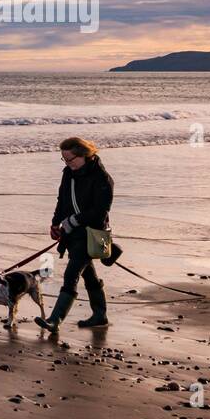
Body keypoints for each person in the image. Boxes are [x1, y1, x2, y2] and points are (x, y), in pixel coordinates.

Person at [34, 137, 119, 332]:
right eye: (64, 160)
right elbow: (62, 200)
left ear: (84, 155)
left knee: (71, 273)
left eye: (70, 159)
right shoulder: (68, 173)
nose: (67, 164)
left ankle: (55, 320)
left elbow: (100, 212)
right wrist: (55, 223)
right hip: (71, 235)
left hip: (92, 233)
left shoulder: (102, 178)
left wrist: (73, 221)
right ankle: (100, 315)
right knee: (88, 274)